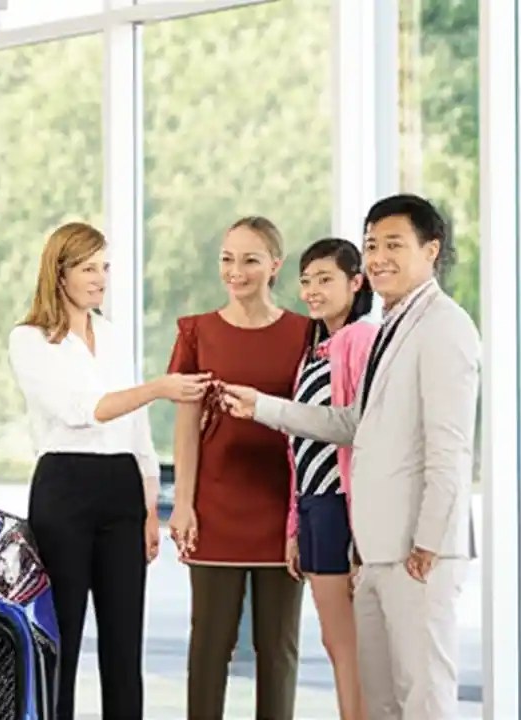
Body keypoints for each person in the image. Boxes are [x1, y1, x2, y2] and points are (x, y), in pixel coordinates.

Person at [222, 194, 480, 720]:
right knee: (379, 699)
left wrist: (429, 541)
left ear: (431, 250)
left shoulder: (444, 326)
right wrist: (263, 407)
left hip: (417, 551)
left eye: (393, 245)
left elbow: (449, 446)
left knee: (424, 696)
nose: (379, 257)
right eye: (372, 246)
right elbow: (350, 424)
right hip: (376, 548)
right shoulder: (390, 326)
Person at [8, 221, 211, 720]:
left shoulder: (115, 337)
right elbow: (81, 410)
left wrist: (149, 507)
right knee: (62, 637)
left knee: (124, 640)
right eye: (88, 268)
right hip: (65, 488)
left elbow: (136, 430)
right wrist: (159, 388)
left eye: (104, 267)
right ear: (59, 273)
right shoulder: (30, 339)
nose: (100, 279)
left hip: (122, 488)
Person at [165, 216, 312, 720]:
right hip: (214, 504)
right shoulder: (197, 332)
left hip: (281, 508)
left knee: (279, 649)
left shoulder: (305, 334)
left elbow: (313, 423)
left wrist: (302, 515)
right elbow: (186, 427)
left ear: (275, 265)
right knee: (209, 644)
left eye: (250, 260)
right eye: (227, 259)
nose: (236, 271)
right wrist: (183, 504)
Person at [283, 238, 377, 720]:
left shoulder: (361, 339)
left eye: (325, 279)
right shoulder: (314, 351)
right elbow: (299, 446)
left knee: (352, 644)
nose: (312, 291)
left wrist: (363, 536)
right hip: (316, 506)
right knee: (337, 640)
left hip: (344, 506)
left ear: (355, 282)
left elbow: (364, 434)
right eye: (306, 281)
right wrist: (295, 526)